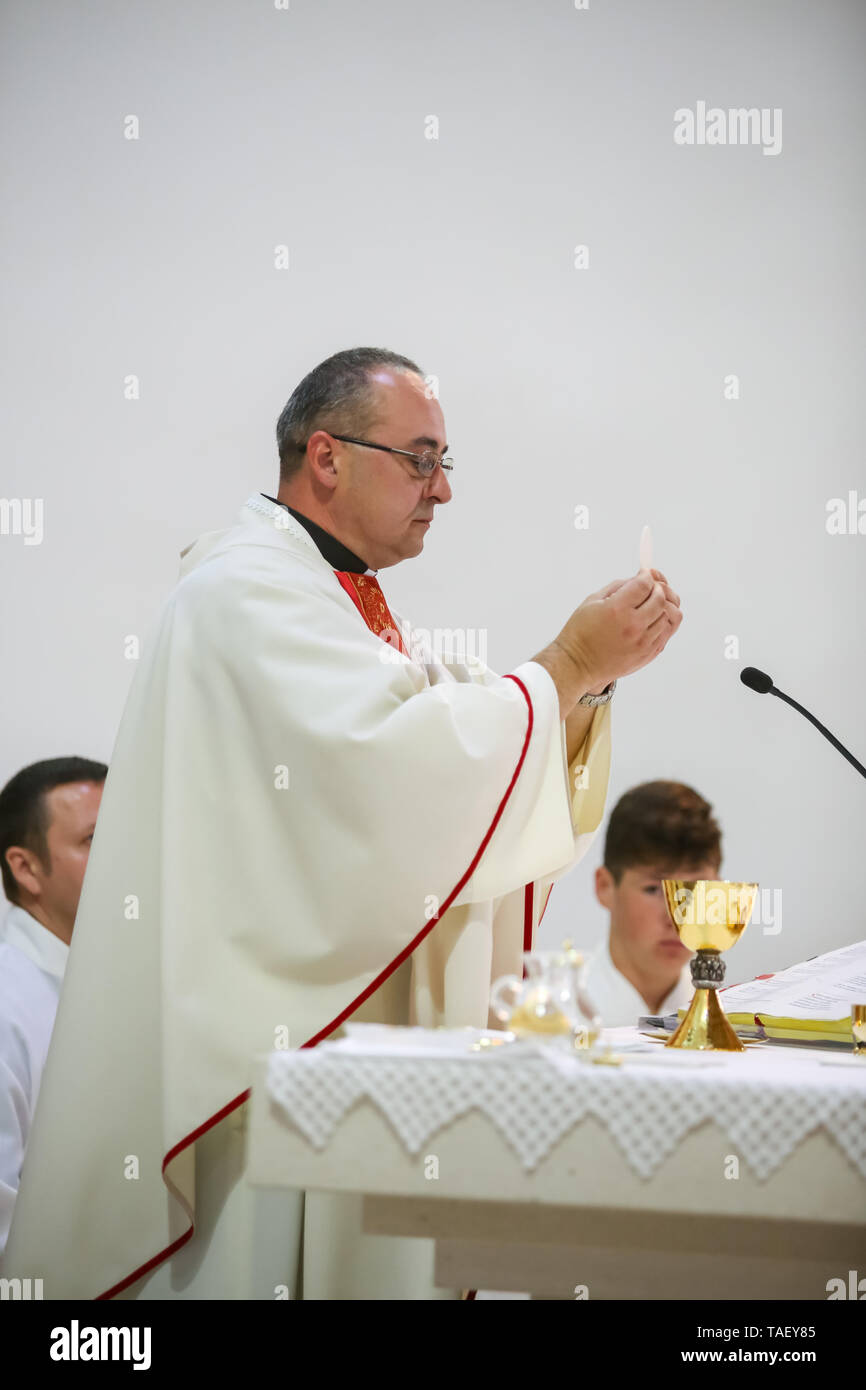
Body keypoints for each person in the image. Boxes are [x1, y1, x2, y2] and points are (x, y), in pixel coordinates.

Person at [3, 347, 682, 1300]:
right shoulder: (245, 590)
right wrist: (567, 665)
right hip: (260, 1066)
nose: (442, 489)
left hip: (319, 1059)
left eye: (446, 462)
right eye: (420, 459)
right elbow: (391, 768)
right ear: (326, 456)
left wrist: (584, 683)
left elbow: (419, 739)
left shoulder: (324, 596)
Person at [0, 757, 106, 1253]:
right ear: (26, 868)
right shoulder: (8, 1005)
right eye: (94, 839)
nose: (124, 854)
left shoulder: (129, 976)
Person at [582, 780, 722, 1025]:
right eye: (654, 889)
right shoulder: (554, 1020)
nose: (675, 917)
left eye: (694, 891)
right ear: (605, 887)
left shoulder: (723, 1021)